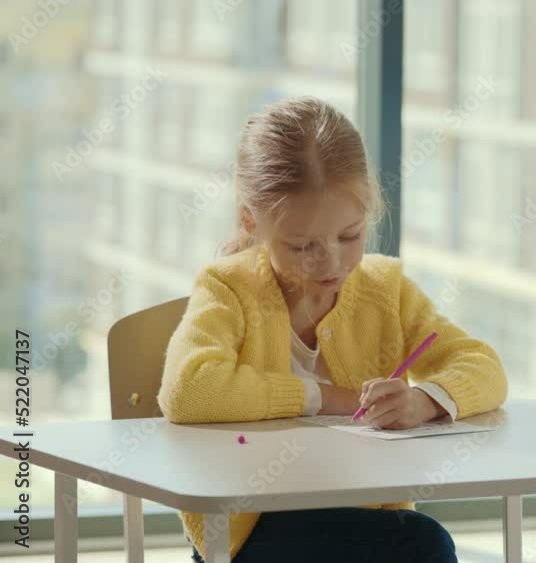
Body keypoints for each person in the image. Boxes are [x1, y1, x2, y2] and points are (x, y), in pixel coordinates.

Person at [157, 97, 508, 563]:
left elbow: (484, 367)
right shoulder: (229, 289)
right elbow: (189, 391)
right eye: (302, 245)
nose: (331, 262)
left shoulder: (385, 291)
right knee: (423, 544)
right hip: (247, 532)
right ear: (250, 221)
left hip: (363, 521)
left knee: (415, 542)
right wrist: (329, 398)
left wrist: (424, 401)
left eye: (350, 236)